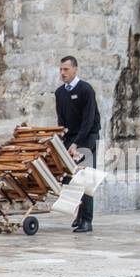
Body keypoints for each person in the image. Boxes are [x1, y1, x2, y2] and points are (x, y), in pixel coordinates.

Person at [55, 55, 101, 233]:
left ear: (75, 69)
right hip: (71, 138)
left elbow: (89, 121)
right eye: (61, 69)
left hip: (87, 137)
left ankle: (87, 220)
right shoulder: (60, 93)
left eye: (66, 69)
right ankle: (79, 216)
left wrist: (78, 143)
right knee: (70, 178)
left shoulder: (86, 90)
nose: (62, 72)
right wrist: (62, 140)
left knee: (86, 178)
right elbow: (62, 120)